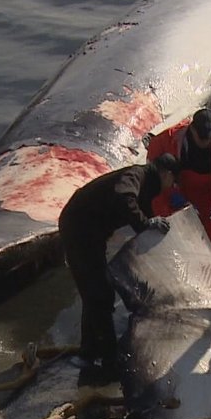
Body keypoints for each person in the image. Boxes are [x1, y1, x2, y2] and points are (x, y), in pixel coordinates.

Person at [58, 154, 178, 376]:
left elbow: (143, 217)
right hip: (79, 228)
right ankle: (109, 360)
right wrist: (145, 224)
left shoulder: (147, 186)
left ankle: (88, 352)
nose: (172, 187)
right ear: (167, 174)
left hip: (92, 232)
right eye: (173, 182)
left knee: (93, 291)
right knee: (100, 293)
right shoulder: (136, 175)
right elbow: (124, 197)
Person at [146, 108, 211, 256]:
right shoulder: (166, 141)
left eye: (208, 138)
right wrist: (173, 196)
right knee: (174, 245)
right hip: (174, 196)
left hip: (208, 200)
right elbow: (152, 175)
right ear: (192, 129)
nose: (204, 142)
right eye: (201, 138)